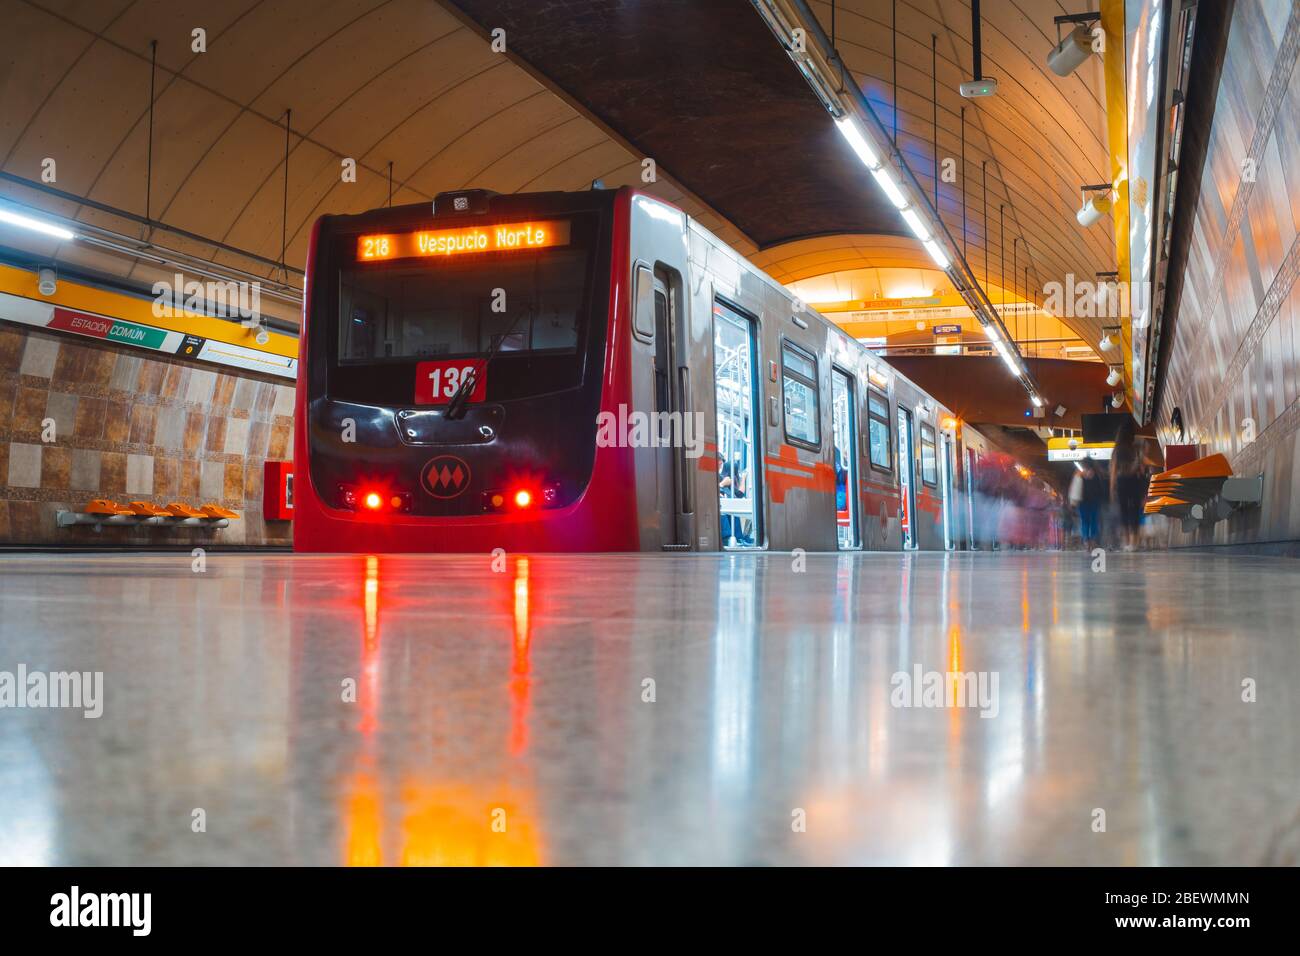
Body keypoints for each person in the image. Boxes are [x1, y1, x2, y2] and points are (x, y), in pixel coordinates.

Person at [1109, 417, 1146, 552]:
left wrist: (1111, 487)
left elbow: (1113, 470)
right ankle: (1134, 542)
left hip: (1122, 482)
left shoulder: (1117, 450)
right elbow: (1142, 468)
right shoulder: (1135, 448)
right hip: (1135, 481)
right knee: (1135, 512)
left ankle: (1127, 542)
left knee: (1124, 512)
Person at [1072, 460, 1106, 550]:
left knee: (1085, 522)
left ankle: (1086, 541)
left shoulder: (1080, 474)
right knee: (1094, 521)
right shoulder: (1098, 475)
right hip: (1094, 501)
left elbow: (1076, 488)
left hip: (1083, 501)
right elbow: (1101, 488)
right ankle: (1093, 541)